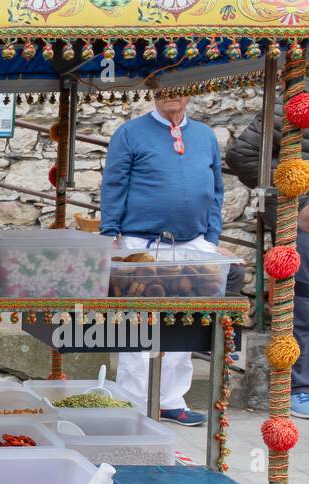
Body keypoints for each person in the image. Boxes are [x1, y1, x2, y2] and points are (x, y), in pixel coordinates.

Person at [101, 93, 225, 426]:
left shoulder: (205, 135)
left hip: (193, 245)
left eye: (179, 89)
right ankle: (134, 403)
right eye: (165, 90)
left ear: (189, 94)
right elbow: (114, 184)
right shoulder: (130, 133)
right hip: (142, 242)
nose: (172, 97)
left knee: (181, 324)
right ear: (154, 94)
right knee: (137, 325)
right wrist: (110, 233)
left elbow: (216, 190)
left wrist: (211, 237)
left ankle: (170, 401)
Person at [225, 107, 309, 419]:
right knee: (302, 302)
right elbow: (242, 157)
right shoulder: (288, 106)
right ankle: (300, 388)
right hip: (302, 219)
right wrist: (298, 194)